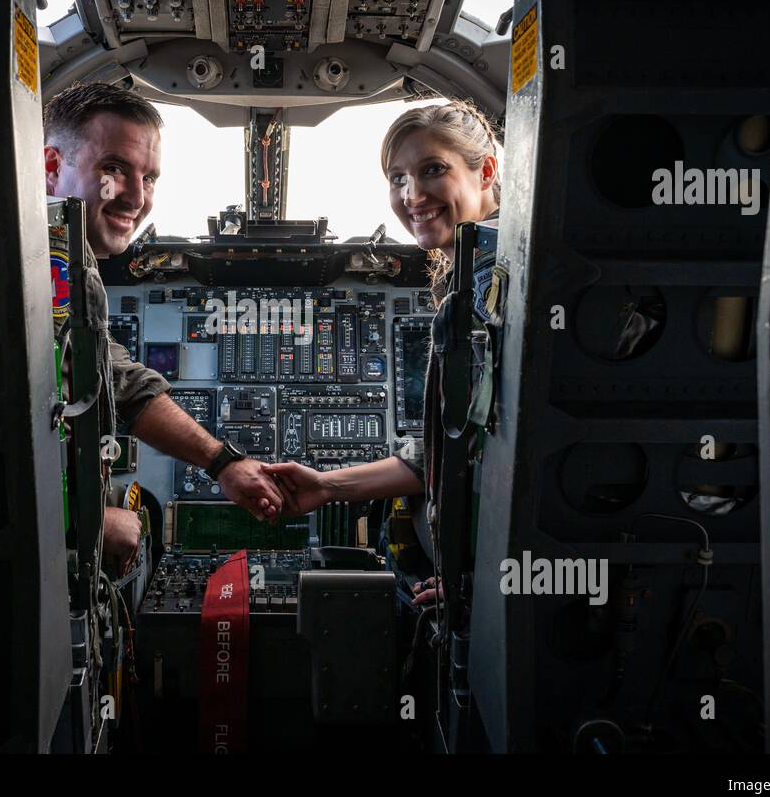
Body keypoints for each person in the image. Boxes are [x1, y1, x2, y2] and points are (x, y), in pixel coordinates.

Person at [261, 100, 501, 605]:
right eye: (397, 178)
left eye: (433, 169)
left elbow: (501, 446)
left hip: (493, 557)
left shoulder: (493, 283)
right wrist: (325, 486)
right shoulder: (479, 274)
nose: (412, 195)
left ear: (486, 172)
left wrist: (481, 585)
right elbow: (448, 445)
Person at [43, 82, 284, 573]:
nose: (135, 196)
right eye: (112, 169)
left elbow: (120, 382)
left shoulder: (66, 260)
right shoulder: (40, 265)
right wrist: (80, 521)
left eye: (149, 177)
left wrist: (222, 463)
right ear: (52, 167)